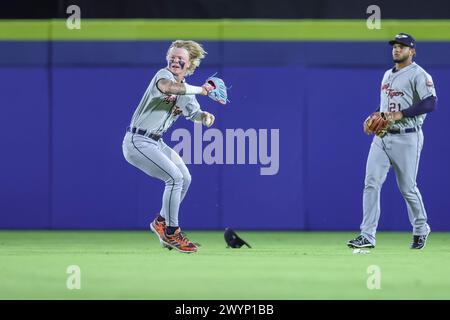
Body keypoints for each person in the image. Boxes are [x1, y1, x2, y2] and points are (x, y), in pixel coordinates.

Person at [122, 40, 216, 253]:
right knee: (174, 178)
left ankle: (161, 222)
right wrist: (203, 90)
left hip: (156, 142)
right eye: (172, 57)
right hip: (137, 141)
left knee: (186, 178)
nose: (175, 61)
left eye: (180, 59)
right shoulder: (163, 76)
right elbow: (169, 88)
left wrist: (205, 117)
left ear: (190, 63)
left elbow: (193, 112)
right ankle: (172, 232)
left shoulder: (187, 91)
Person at [347, 33, 437, 250]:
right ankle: (367, 235)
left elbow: (430, 103)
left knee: (407, 188)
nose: (397, 50)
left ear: (412, 51)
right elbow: (385, 108)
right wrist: (374, 116)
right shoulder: (387, 74)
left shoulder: (418, 74)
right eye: (395, 46)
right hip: (383, 137)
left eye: (402, 46)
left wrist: (400, 115)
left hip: (408, 136)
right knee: (371, 183)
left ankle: (421, 227)